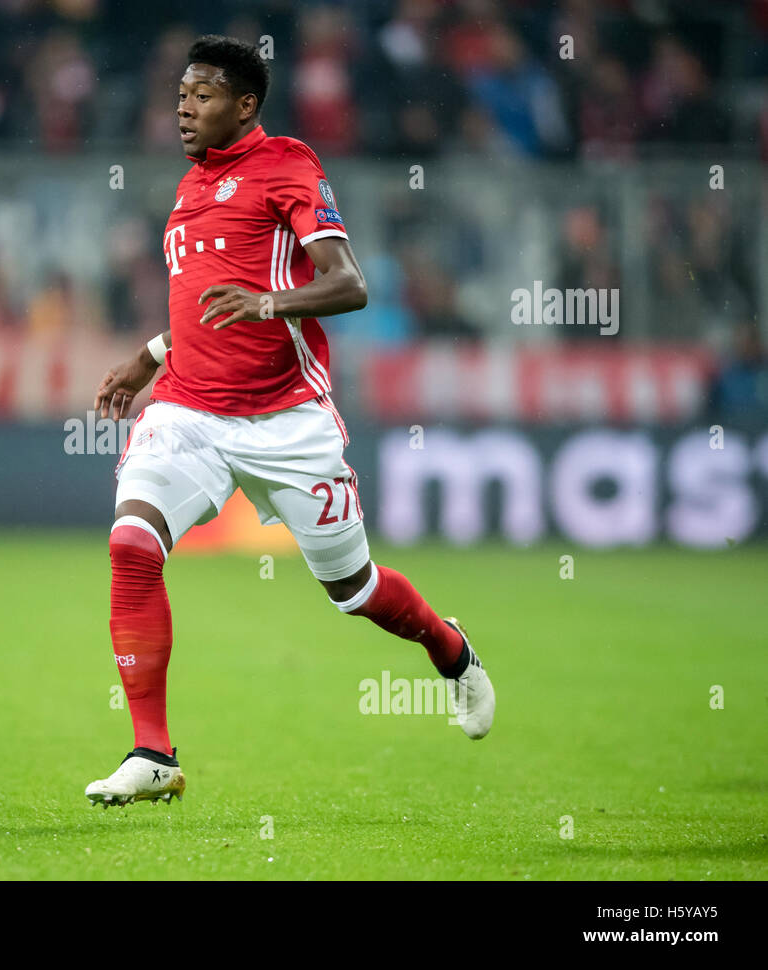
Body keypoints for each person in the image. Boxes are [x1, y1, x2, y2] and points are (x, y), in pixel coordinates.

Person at [86, 36, 495, 808]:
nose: (183, 106)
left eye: (202, 94)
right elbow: (212, 304)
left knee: (355, 588)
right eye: (180, 93)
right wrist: (149, 354)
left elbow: (349, 284)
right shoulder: (188, 188)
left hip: (287, 420)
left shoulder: (289, 165)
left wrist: (272, 304)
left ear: (245, 105)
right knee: (132, 543)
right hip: (190, 408)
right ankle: (153, 752)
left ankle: (451, 649)